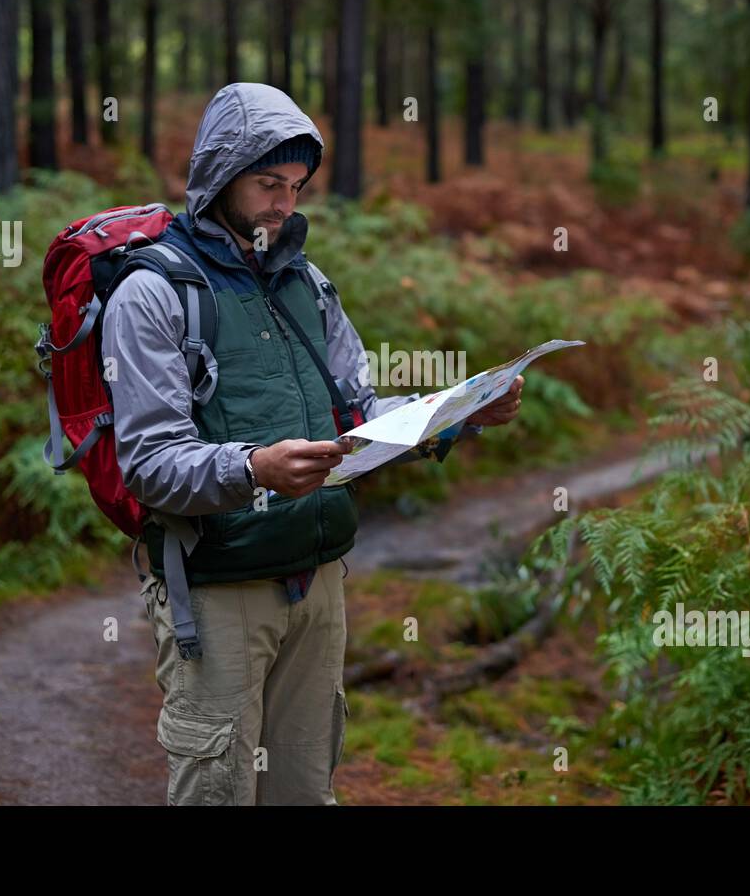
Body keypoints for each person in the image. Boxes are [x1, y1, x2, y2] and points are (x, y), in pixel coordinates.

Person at [101, 82, 524, 805]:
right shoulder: (154, 294)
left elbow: (357, 409)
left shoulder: (307, 282)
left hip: (318, 584)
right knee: (219, 791)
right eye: (268, 183)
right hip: (218, 588)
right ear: (218, 175)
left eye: (295, 187)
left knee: (303, 790)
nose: (284, 205)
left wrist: (457, 414)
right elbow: (148, 462)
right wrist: (253, 469)